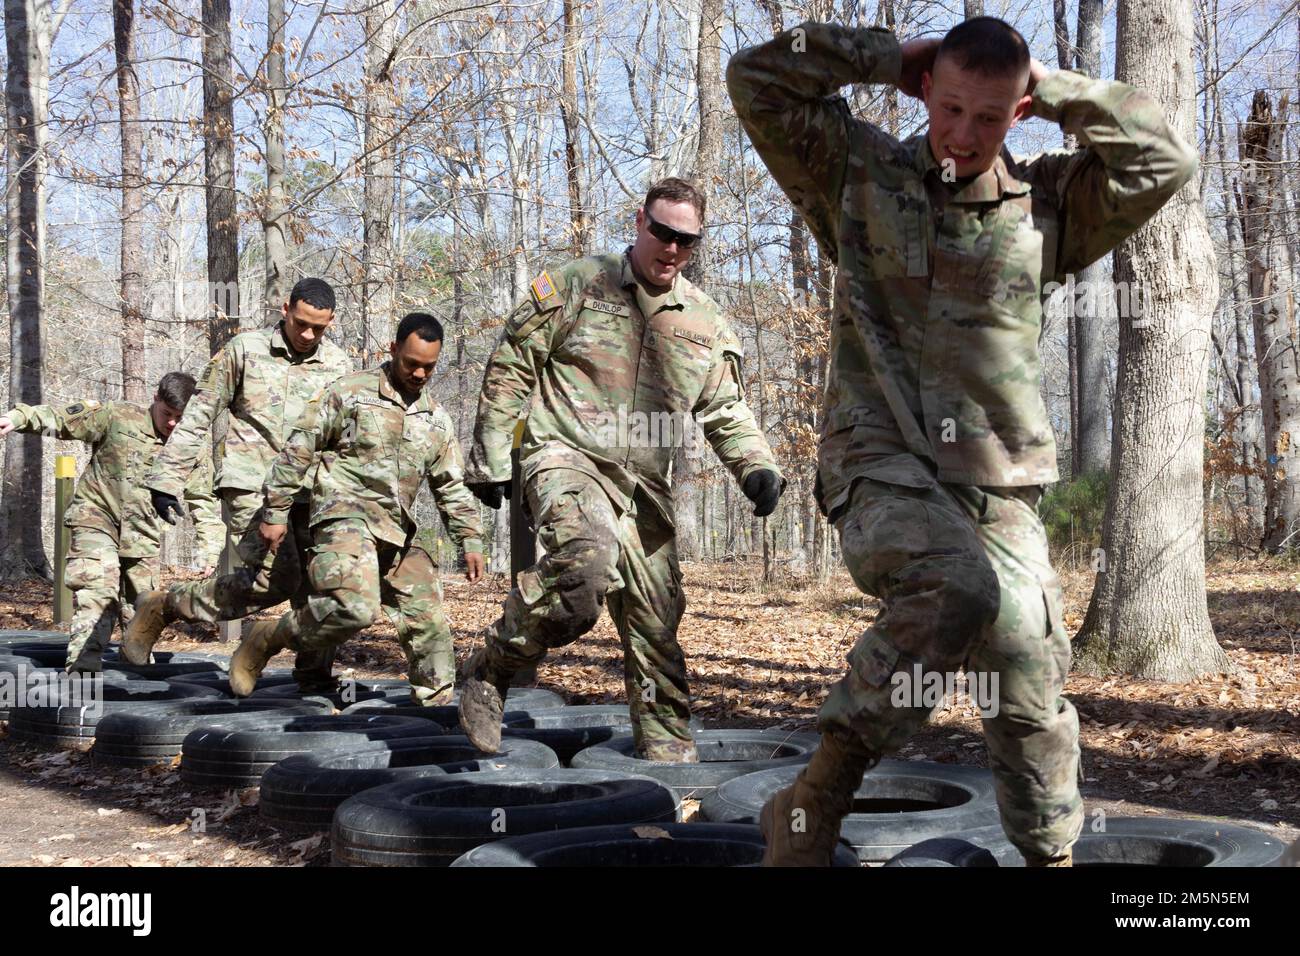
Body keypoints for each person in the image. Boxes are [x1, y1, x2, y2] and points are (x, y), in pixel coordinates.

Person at [727, 16, 1197, 865]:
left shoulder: (1049, 202)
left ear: (1016, 116)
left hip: (997, 481)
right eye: (948, 108)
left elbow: (1166, 160)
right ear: (926, 94)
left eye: (988, 117)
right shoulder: (857, 171)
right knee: (952, 588)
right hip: (882, 458)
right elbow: (756, 78)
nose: (963, 135)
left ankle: (1050, 853)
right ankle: (814, 800)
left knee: (1028, 681)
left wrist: (1050, 88)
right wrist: (885, 57)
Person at [458, 176, 785, 762]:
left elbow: (725, 407)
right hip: (566, 455)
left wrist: (755, 465)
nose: (673, 248)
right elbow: (512, 363)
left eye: (688, 240)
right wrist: (488, 457)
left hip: (643, 488)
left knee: (656, 619)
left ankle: (666, 756)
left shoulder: (703, 321)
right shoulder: (579, 284)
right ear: (639, 222)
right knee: (584, 570)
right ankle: (492, 667)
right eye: (663, 232)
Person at [226, 312, 485, 702]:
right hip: (344, 516)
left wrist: (471, 539)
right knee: (356, 608)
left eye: (428, 367)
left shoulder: (436, 419)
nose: (418, 374)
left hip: (396, 530)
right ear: (393, 349)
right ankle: (267, 637)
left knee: (427, 618)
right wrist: (276, 510)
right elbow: (300, 448)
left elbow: (450, 486)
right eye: (411, 363)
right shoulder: (350, 393)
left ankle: (434, 702)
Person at [122, 277, 353, 692]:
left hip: (315, 489)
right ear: (285, 309)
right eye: (300, 323)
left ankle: (313, 675)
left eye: (318, 328)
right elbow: (199, 413)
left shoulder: (339, 365)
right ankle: (164, 607)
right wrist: (166, 478)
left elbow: (347, 438)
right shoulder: (244, 350)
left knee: (324, 580)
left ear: (331, 321)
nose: (306, 334)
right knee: (275, 580)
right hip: (253, 485)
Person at [0, 373, 224, 671]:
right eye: (167, 414)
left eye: (180, 418)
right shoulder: (118, 416)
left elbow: (203, 498)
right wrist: (19, 417)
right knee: (98, 595)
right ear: (155, 399)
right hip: (96, 519)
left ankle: (137, 684)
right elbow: (64, 419)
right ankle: (82, 674)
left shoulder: (189, 446)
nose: (172, 423)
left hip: (143, 536)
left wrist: (210, 546)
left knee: (142, 614)